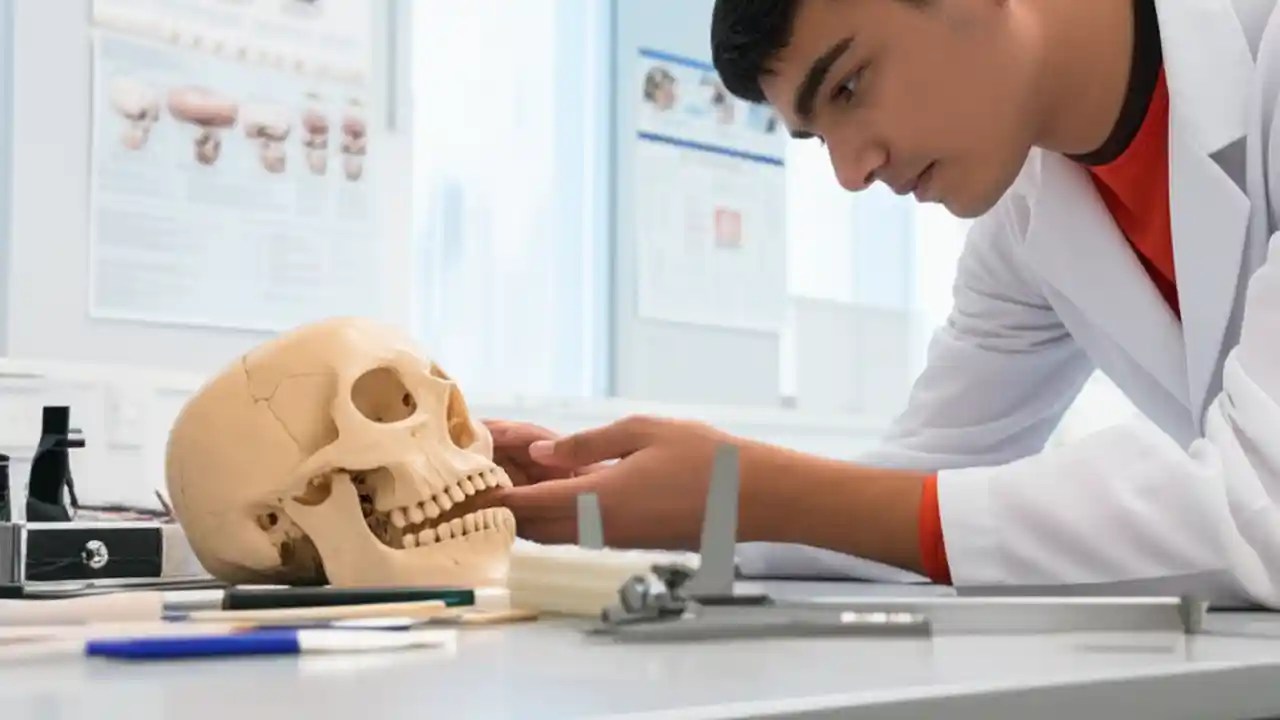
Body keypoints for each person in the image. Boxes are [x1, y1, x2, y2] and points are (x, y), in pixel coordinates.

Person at [480, 0, 1280, 608]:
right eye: (816, 134)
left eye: (851, 85)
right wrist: (614, 482)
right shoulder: (1026, 218)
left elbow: (1260, 505)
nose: (851, 172)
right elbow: (920, 476)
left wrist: (743, 490)